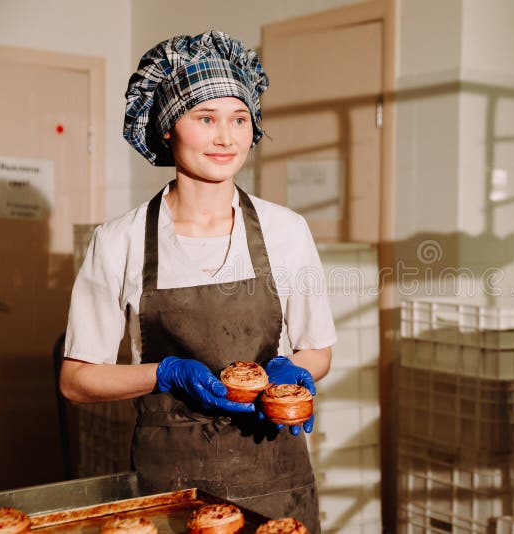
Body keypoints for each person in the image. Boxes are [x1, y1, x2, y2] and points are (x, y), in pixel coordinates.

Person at [59, 30, 335, 532]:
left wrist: (292, 371)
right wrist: (164, 374)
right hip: (173, 488)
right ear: (167, 129)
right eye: (205, 118)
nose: (226, 138)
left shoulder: (286, 230)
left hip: (276, 479)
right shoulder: (118, 240)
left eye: (239, 119)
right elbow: (76, 381)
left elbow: (318, 351)